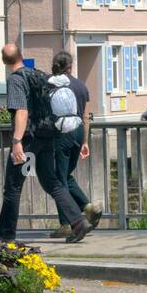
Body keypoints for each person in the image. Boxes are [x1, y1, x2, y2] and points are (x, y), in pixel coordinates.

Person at [0, 43, 92, 244]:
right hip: (47, 134)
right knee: (51, 181)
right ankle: (78, 221)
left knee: (13, 186)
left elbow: (21, 110)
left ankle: (5, 234)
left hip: (28, 138)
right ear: (21, 56)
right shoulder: (38, 75)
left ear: (4, 61)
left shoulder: (16, 80)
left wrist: (17, 141)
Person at [47, 51, 101, 237]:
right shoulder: (80, 86)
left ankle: (67, 224)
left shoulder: (51, 84)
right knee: (65, 175)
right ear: (70, 66)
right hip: (78, 132)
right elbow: (85, 117)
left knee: (58, 180)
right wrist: (84, 141)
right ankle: (88, 206)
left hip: (62, 134)